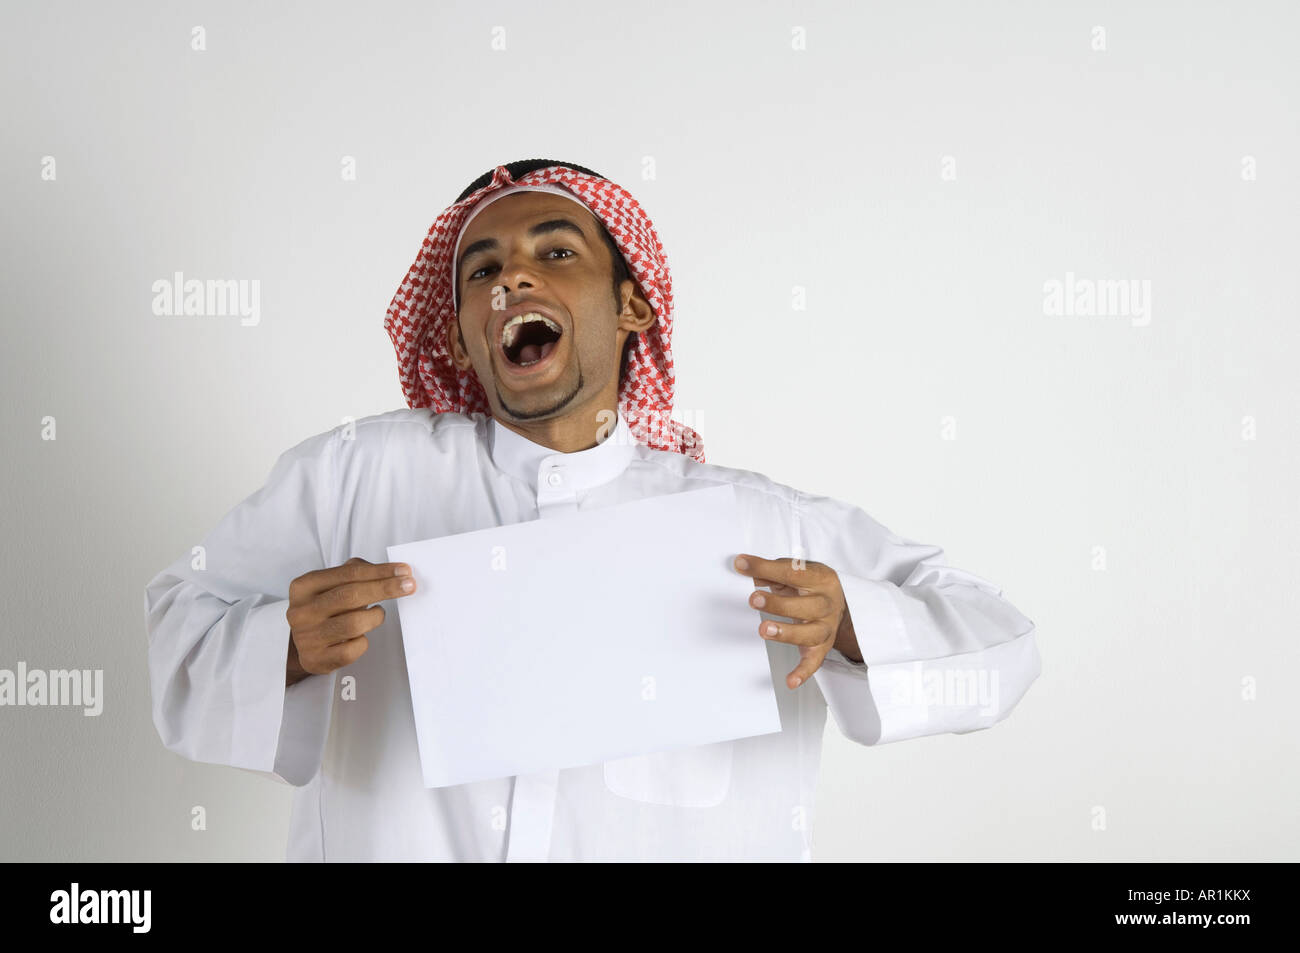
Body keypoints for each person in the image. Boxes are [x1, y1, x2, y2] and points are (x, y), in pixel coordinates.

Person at [144, 158, 1042, 862]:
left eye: (555, 253)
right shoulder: (350, 480)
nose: (512, 282)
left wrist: (851, 622)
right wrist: (283, 648)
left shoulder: (758, 526)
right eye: (483, 269)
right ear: (459, 333)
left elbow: (1003, 641)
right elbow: (180, 620)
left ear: (631, 305)